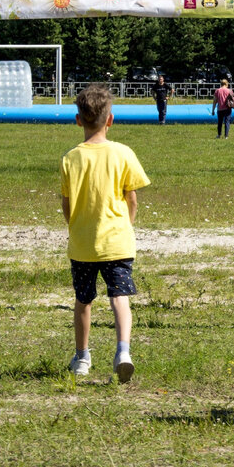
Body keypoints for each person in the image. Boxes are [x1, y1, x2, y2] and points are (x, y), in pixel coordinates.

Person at [61, 84, 151, 381]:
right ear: (110, 120)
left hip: (83, 244)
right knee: (120, 297)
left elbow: (67, 203)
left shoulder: (71, 158)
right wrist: (127, 224)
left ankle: (83, 357)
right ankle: (123, 350)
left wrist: (74, 227)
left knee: (83, 300)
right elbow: (132, 199)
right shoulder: (123, 153)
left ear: (78, 120)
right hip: (117, 242)